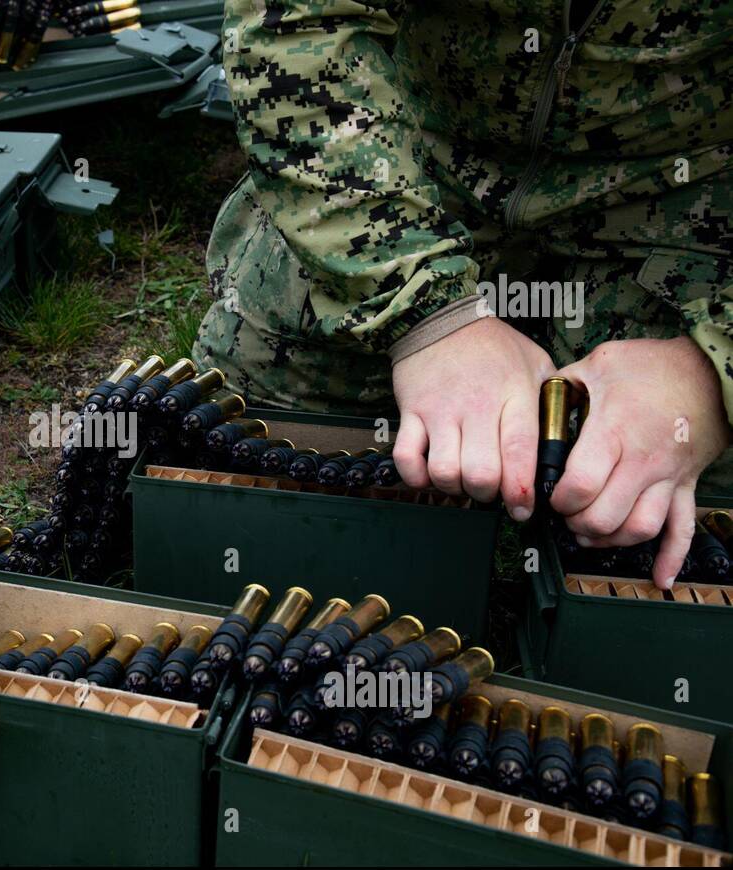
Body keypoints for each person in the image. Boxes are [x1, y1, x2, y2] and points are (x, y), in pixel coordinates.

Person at [193, 0, 733, 588]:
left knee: (668, 517)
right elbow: (295, 24)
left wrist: (710, 374)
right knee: (241, 452)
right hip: (420, 164)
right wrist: (424, 313)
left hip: (686, 210)